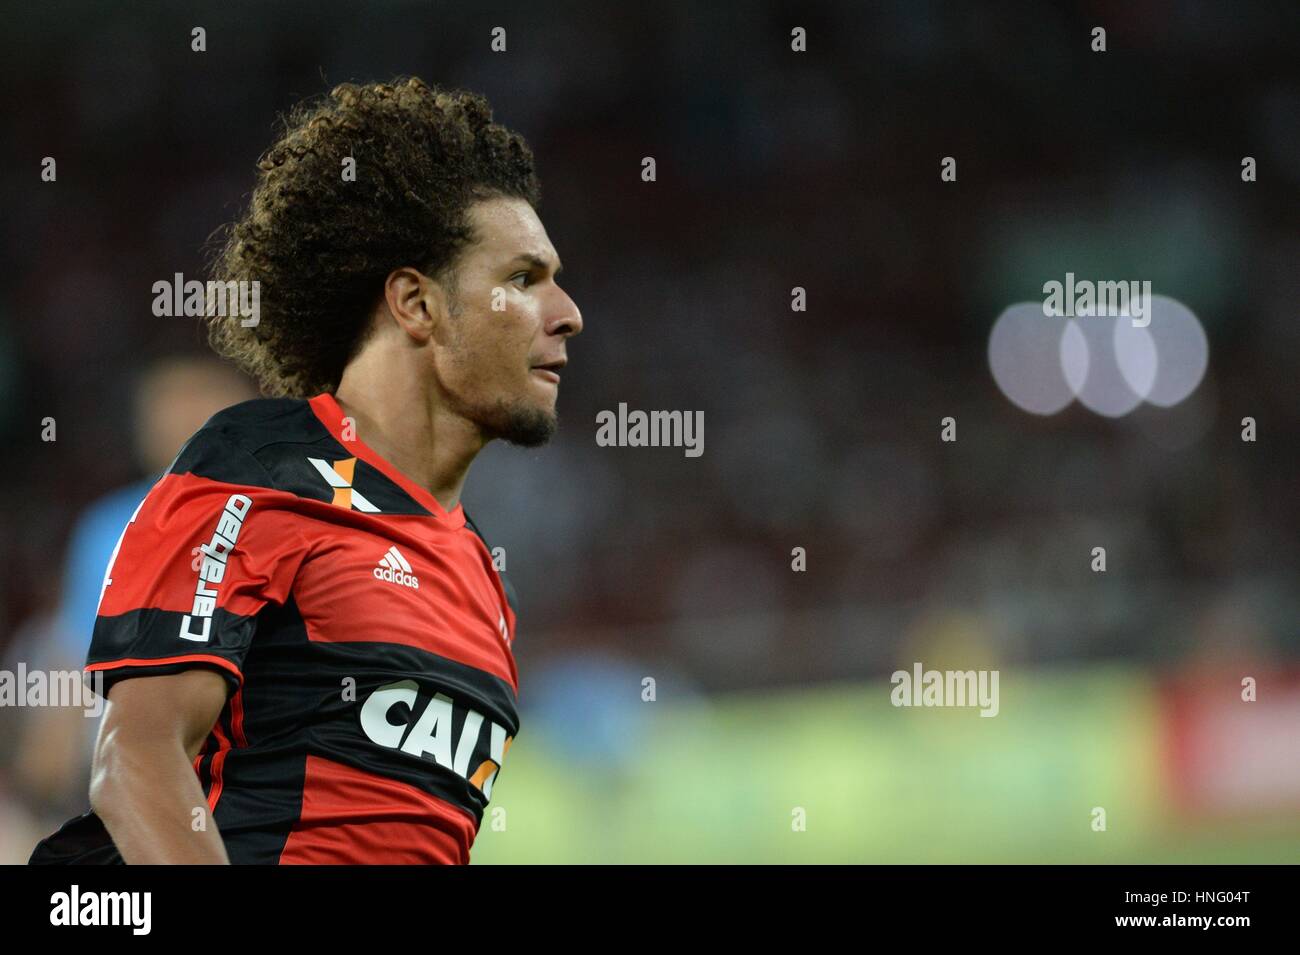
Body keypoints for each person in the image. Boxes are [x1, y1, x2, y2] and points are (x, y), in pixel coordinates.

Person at [30, 77, 582, 864]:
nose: (567, 311)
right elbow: (134, 763)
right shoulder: (259, 472)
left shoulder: (487, 583)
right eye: (522, 279)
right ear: (416, 305)